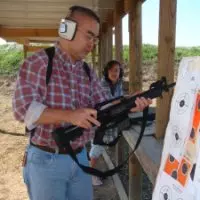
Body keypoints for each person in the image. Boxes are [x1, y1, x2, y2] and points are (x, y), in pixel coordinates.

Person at [12, 5, 152, 200]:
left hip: (80, 157)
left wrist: (128, 104)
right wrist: (70, 116)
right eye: (89, 36)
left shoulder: (86, 71)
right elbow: (22, 110)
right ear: (67, 29)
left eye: (95, 39)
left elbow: (104, 106)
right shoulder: (39, 63)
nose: (92, 43)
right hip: (46, 160)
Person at [89, 60, 124, 186]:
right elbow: (104, 103)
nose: (115, 73)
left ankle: (90, 172)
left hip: (109, 120)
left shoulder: (118, 84)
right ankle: (89, 175)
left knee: (99, 146)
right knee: (97, 147)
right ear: (106, 72)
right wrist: (120, 102)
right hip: (100, 120)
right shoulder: (102, 85)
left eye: (117, 70)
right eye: (112, 70)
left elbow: (119, 101)